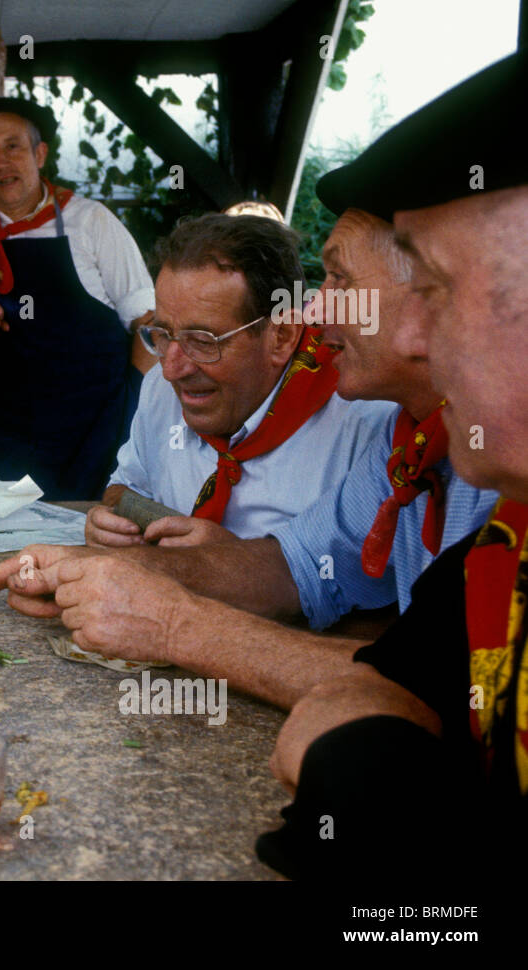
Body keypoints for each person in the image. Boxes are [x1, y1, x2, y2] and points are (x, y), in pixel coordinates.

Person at [0, 203, 497, 711]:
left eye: (341, 282)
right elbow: (299, 567)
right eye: (163, 335)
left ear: (435, 295)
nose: (314, 307)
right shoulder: (410, 441)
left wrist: (175, 623)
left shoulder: (484, 455)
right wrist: (95, 567)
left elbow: (439, 686)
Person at [260, 53, 528, 877]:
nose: (416, 338)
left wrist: (378, 789)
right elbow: (367, 689)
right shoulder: (512, 535)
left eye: (439, 289)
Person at [90, 213, 391, 536]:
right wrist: (116, 522)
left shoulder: (368, 427)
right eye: (163, 334)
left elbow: (360, 579)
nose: (171, 369)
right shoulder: (159, 389)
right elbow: (127, 487)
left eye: (203, 341)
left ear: (282, 336)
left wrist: (220, 559)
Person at [0, 97, 154, 499]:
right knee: (13, 533)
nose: (2, 163)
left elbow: (151, 322)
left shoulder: (91, 220)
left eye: (13, 146)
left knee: (99, 534)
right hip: (14, 416)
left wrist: (132, 405)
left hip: (100, 415)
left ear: (40, 154)